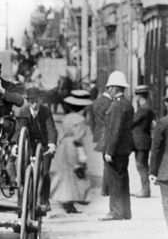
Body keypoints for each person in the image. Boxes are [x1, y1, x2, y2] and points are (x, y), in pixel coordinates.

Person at [96, 70, 134, 222]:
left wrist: (109, 151)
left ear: (115, 87)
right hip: (124, 148)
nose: (108, 90)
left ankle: (115, 211)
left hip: (116, 149)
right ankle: (125, 211)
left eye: (109, 87)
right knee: (123, 179)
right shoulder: (127, 104)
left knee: (114, 180)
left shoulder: (117, 106)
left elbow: (115, 129)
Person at [51, 88, 96, 214]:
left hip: (64, 145)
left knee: (65, 174)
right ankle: (72, 201)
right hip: (74, 146)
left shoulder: (67, 118)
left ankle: (65, 200)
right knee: (76, 172)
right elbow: (78, 137)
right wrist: (82, 154)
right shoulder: (80, 120)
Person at [129, 86, 154, 202]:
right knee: (142, 165)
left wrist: (134, 107)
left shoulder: (143, 109)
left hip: (141, 141)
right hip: (142, 141)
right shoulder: (147, 108)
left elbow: (132, 122)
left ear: (139, 96)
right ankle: (145, 189)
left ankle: (145, 190)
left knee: (141, 165)